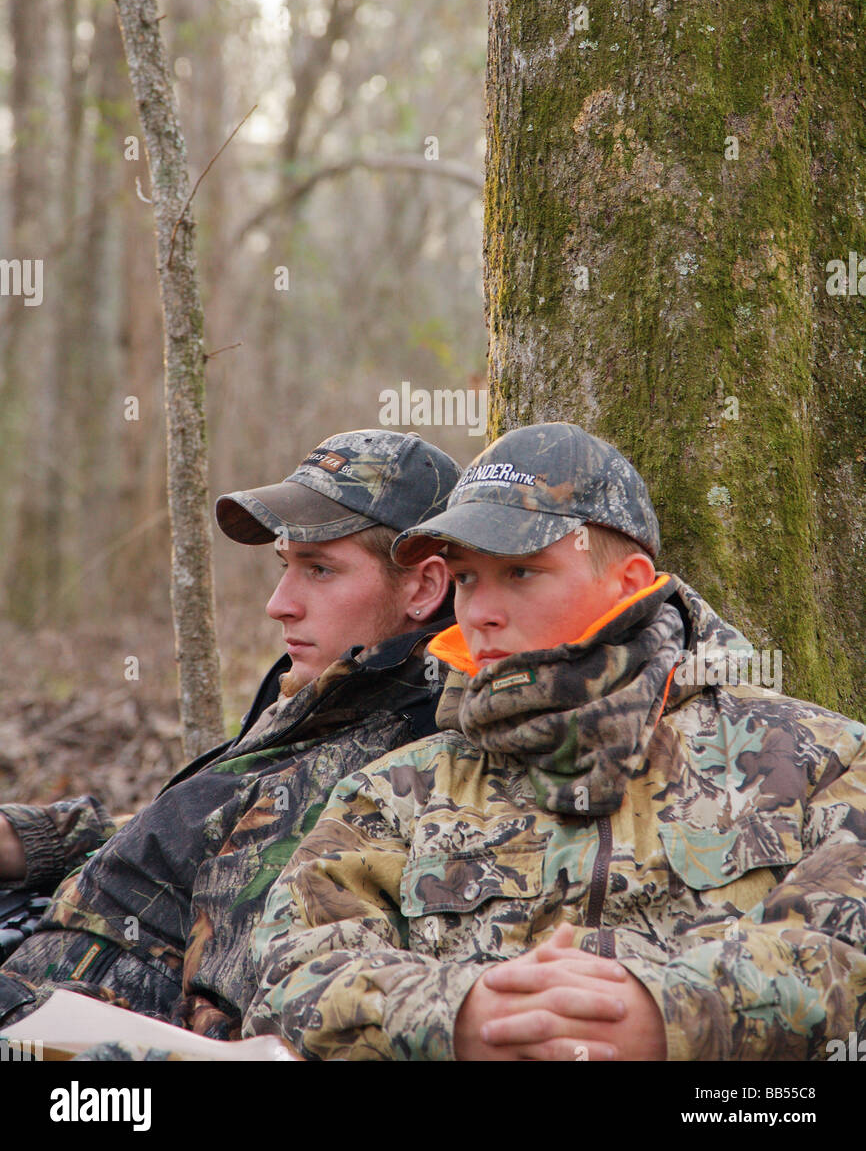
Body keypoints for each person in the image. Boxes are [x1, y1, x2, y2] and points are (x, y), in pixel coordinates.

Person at [243, 421, 866, 1061]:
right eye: (467, 578)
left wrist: (665, 1014)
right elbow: (287, 975)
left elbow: (849, 948)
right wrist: (460, 1015)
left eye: (520, 572)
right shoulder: (397, 790)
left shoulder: (820, 759)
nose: (480, 611)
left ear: (629, 583)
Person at [0, 429, 461, 1038]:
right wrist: (38, 840)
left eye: (320, 570)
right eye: (286, 566)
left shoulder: (393, 762)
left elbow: (215, 1029)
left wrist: (20, 1014)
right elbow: (208, 834)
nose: (279, 603)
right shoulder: (335, 695)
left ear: (423, 587)